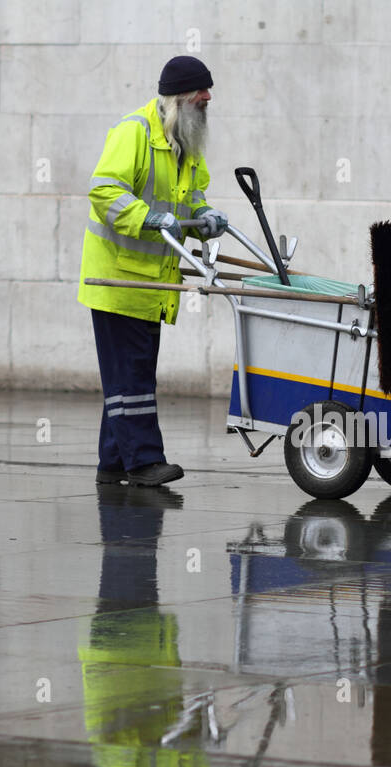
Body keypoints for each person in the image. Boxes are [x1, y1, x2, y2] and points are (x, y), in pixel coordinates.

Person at [77, 56, 229, 487]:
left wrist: (204, 214)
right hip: (118, 279)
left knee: (130, 377)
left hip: (152, 281)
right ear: (180, 98)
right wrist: (147, 217)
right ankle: (144, 462)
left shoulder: (183, 139)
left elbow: (191, 193)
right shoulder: (135, 132)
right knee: (132, 377)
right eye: (201, 93)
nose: (208, 98)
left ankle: (113, 465)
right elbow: (104, 190)